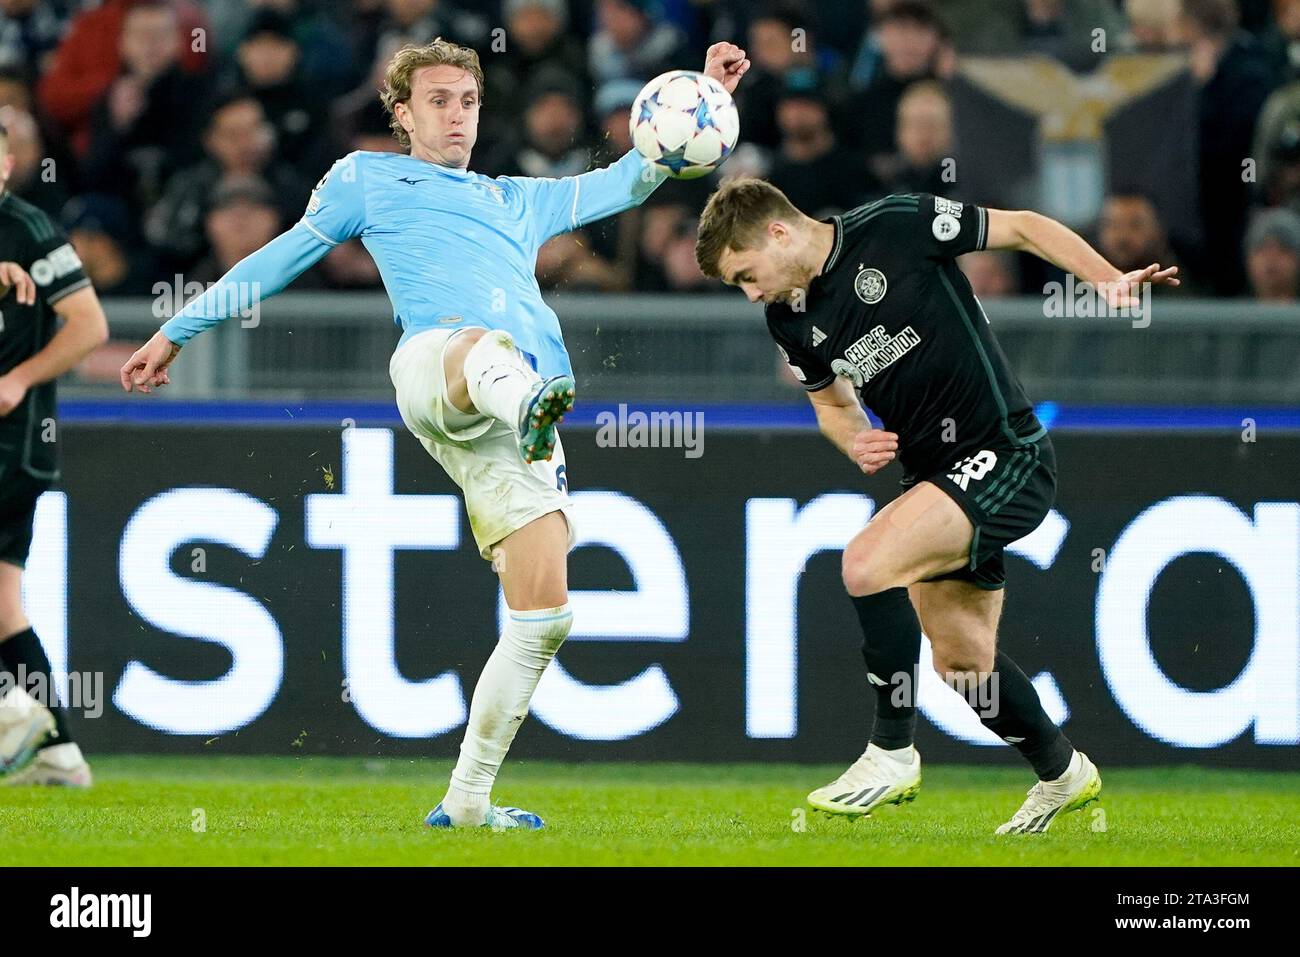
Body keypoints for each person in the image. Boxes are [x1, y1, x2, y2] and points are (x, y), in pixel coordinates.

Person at [119, 37, 751, 830]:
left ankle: (467, 801)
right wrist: (176, 329)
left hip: (514, 416)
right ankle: (524, 398)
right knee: (484, 348)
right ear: (402, 113)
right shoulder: (368, 179)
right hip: (439, 368)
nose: (456, 115)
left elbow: (632, 177)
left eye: (469, 101)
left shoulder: (513, 197)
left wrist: (707, 98)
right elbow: (278, 257)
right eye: (439, 101)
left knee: (545, 616)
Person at [694, 180, 1178, 834]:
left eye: (747, 275)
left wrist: (1107, 279)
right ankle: (1064, 774)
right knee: (963, 663)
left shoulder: (896, 225)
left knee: (866, 562)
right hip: (931, 475)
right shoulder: (788, 316)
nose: (751, 294)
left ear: (779, 232)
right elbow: (831, 406)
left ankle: (891, 752)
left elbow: (1026, 225)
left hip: (1004, 452)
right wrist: (854, 439)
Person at [0, 118, 109, 787]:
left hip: (12, 443)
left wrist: (18, 377)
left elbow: (90, 325)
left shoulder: (28, 229)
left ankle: (12, 709)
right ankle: (58, 750)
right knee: (4, 606)